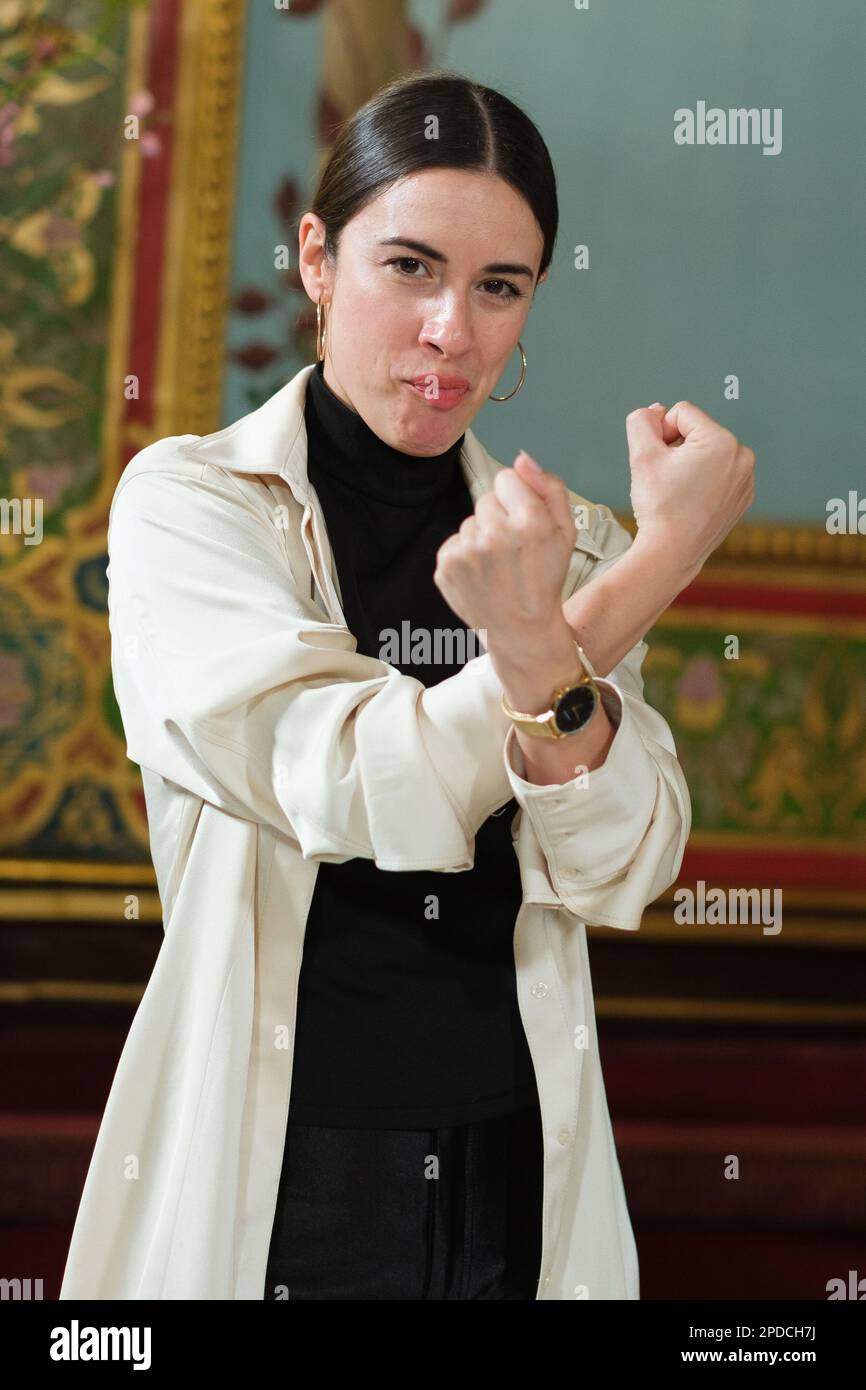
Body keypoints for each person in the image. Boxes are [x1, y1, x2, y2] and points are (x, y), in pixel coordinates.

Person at [59, 70, 753, 1300]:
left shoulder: (565, 552)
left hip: (512, 1169)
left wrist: (574, 602)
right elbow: (355, 779)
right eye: (409, 267)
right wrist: (655, 569)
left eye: (498, 286)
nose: (451, 332)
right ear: (316, 259)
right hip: (282, 1176)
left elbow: (620, 863)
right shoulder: (191, 506)